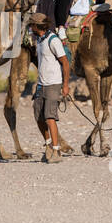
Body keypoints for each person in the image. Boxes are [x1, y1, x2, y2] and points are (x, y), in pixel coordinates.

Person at [29, 12, 70, 163]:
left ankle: (56, 150)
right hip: (41, 84)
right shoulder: (39, 40)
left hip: (53, 84)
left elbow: (65, 63)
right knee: (38, 116)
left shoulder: (53, 41)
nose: (30, 27)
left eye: (32, 25)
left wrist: (65, 85)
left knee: (50, 117)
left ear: (37, 26)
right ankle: (48, 145)